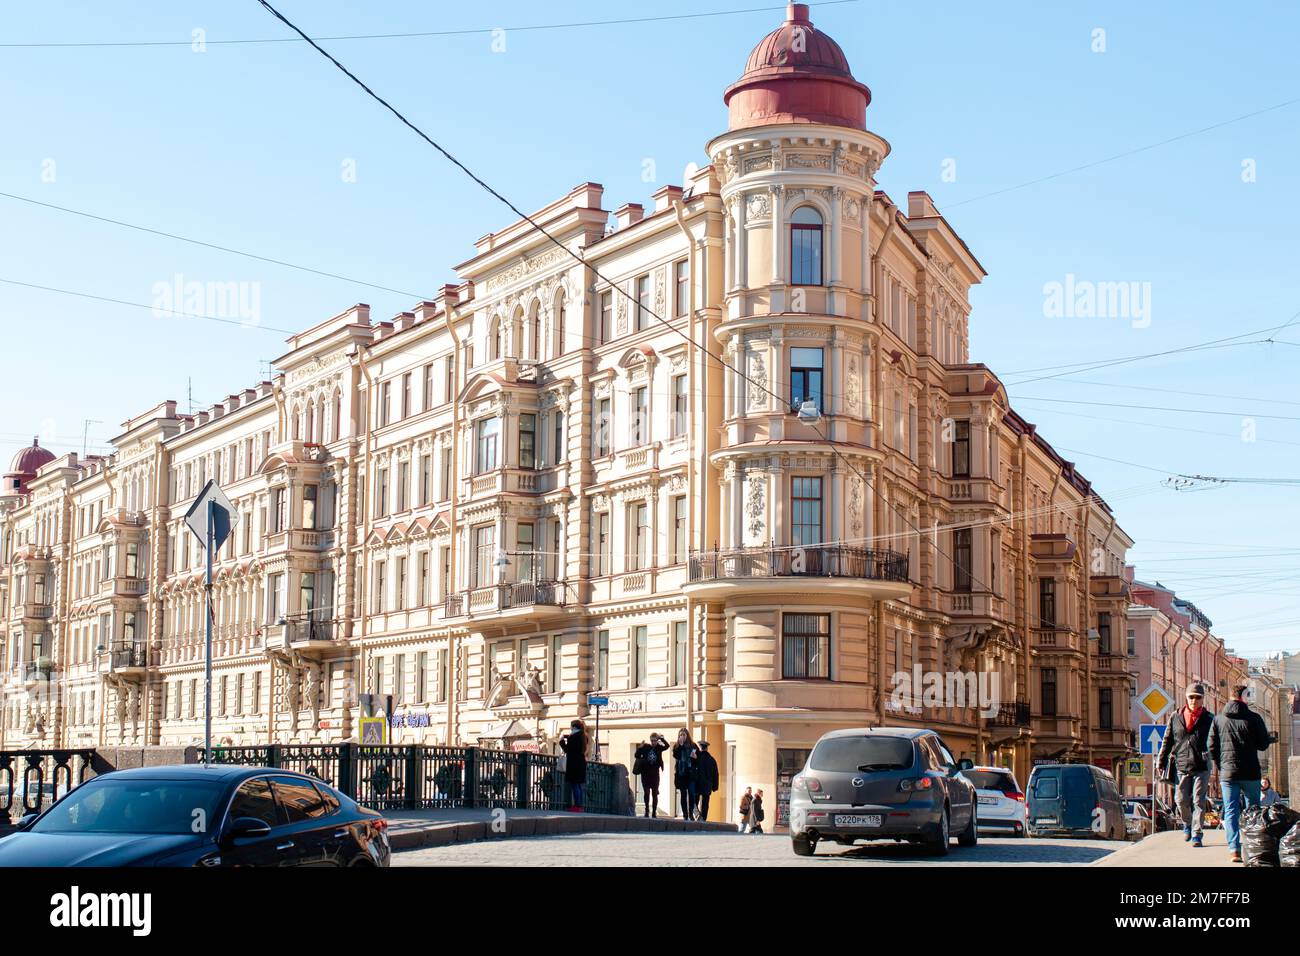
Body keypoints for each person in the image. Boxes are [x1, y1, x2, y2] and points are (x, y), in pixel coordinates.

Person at [1209, 685, 1272, 863]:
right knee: (1253, 810)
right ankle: (1253, 848)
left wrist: (1221, 766)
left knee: (1231, 810)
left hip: (1228, 773)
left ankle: (1234, 850)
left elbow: (1211, 746)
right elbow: (1263, 744)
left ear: (1231, 696)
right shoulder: (1254, 718)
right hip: (1250, 772)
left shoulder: (1218, 719)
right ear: (1245, 697)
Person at [1156, 682, 1214, 847]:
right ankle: (1187, 824)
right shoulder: (1176, 716)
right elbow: (1167, 740)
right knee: (1181, 800)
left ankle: (1197, 834)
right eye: (1191, 697)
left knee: (1199, 801)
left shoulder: (1209, 718)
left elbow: (1216, 742)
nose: (1194, 700)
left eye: (1198, 697)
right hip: (1181, 765)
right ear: (1186, 698)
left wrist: (1214, 756)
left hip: (1202, 765)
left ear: (1203, 699)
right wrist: (1161, 760)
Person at [632, 732, 670, 817]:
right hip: (645, 774)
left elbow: (667, 746)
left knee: (654, 793)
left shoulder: (659, 748)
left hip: (655, 774)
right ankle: (647, 811)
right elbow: (636, 755)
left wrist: (662, 739)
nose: (653, 742)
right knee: (646, 793)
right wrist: (639, 748)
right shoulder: (645, 747)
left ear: (657, 740)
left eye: (655, 740)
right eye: (652, 740)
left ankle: (654, 812)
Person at [559, 719, 588, 813]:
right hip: (581, 763)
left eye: (571, 726)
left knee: (575, 785)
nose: (570, 728)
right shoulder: (583, 736)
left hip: (574, 764)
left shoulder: (574, 737)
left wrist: (561, 742)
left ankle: (577, 805)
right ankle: (580, 806)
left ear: (574, 727)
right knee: (579, 785)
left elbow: (568, 750)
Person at [671, 729, 699, 820]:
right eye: (680, 735)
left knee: (692, 794)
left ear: (687, 736)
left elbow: (697, 761)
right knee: (683, 794)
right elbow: (676, 756)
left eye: (684, 735)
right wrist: (681, 746)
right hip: (681, 773)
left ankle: (691, 813)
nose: (682, 737)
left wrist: (696, 758)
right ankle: (685, 815)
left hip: (691, 774)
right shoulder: (677, 746)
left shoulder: (693, 745)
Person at [694, 740, 720, 821]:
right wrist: (715, 786)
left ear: (700, 747)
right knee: (705, 803)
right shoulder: (712, 760)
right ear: (707, 748)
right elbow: (716, 774)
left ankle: (697, 814)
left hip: (697, 783)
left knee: (694, 801)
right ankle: (704, 818)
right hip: (708, 785)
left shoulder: (696, 758)